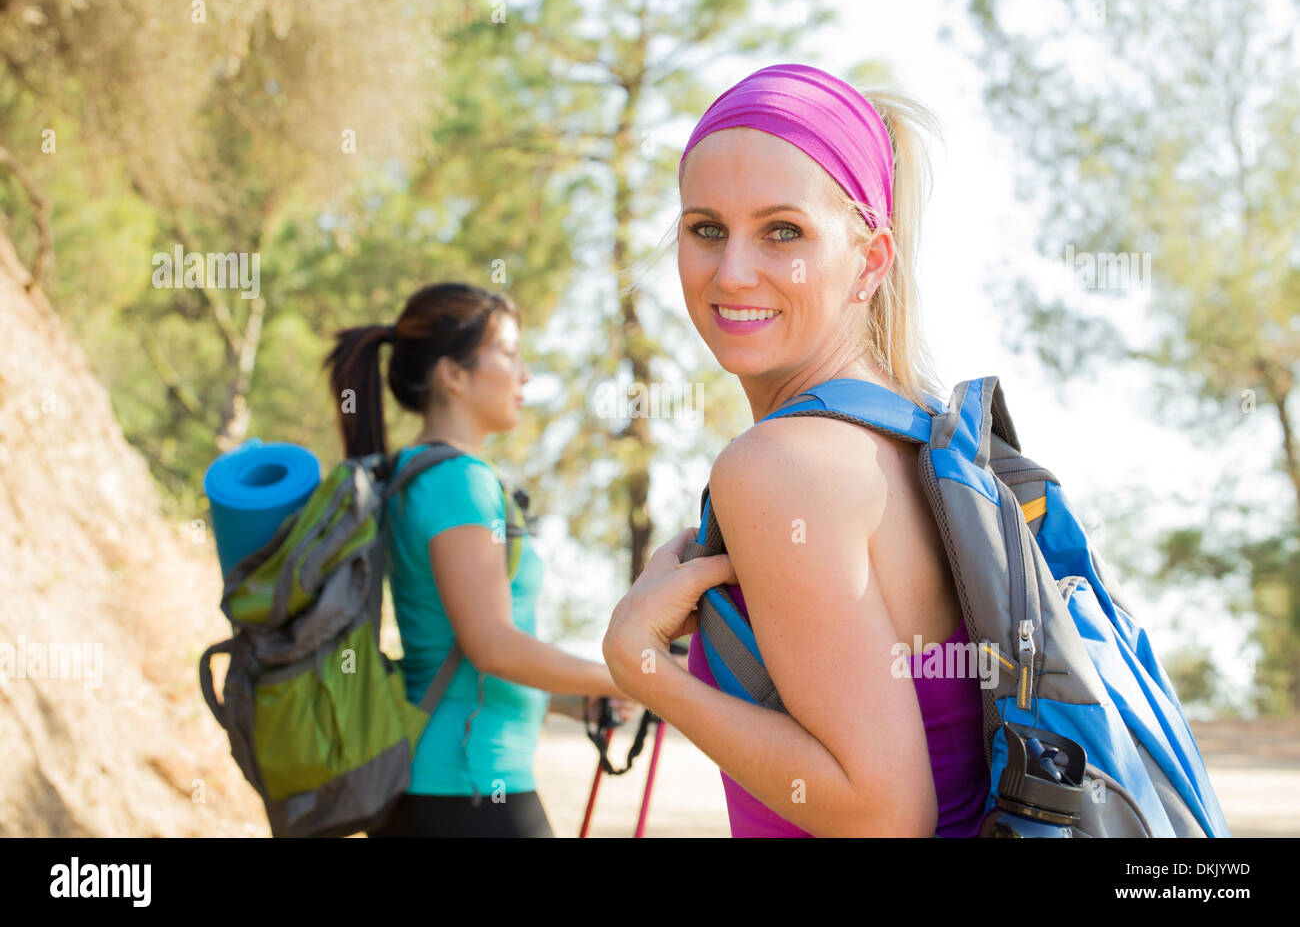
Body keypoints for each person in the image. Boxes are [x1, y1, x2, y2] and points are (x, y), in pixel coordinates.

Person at [602, 64, 992, 837]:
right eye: (705, 228)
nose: (733, 271)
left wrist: (639, 663)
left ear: (870, 261)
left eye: (784, 231)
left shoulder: (784, 466)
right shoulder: (916, 435)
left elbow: (883, 815)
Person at [323, 282, 632, 837]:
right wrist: (626, 680)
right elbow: (489, 645)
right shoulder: (458, 483)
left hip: (441, 793)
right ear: (453, 374)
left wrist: (569, 700)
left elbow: (461, 653)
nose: (526, 375)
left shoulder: (418, 476)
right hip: (468, 792)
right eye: (510, 354)